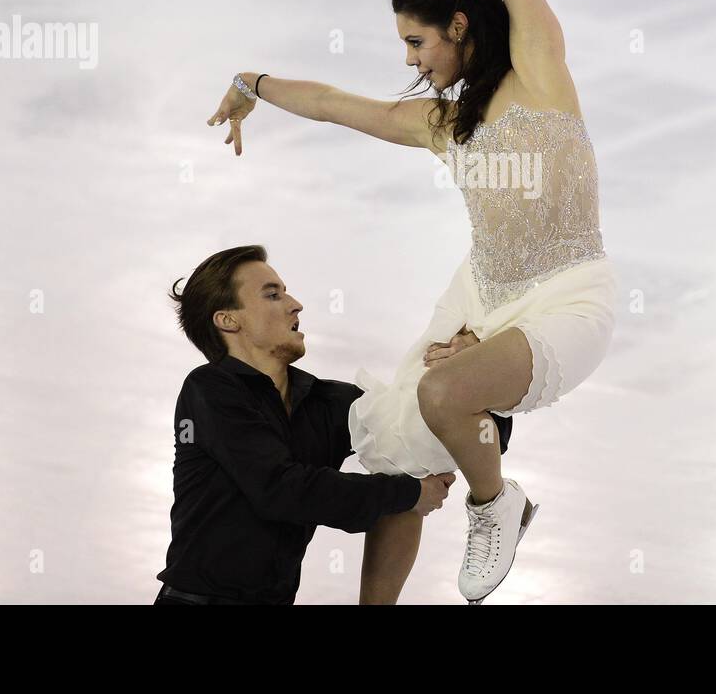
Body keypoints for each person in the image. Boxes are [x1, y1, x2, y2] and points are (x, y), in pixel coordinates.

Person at [207, 0, 618, 604]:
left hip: (569, 296)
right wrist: (255, 81)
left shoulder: (539, 68)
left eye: (416, 40)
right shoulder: (446, 124)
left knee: (440, 392)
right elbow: (335, 105)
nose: (410, 60)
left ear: (459, 25)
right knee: (395, 442)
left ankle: (497, 502)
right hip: (480, 292)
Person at [154, 245, 512, 604]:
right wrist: (410, 493)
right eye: (272, 294)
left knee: (402, 459)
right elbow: (280, 491)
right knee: (401, 486)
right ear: (228, 320)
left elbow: (436, 431)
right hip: (190, 601)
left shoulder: (329, 403)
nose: (295, 304)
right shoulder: (210, 390)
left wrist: (472, 368)